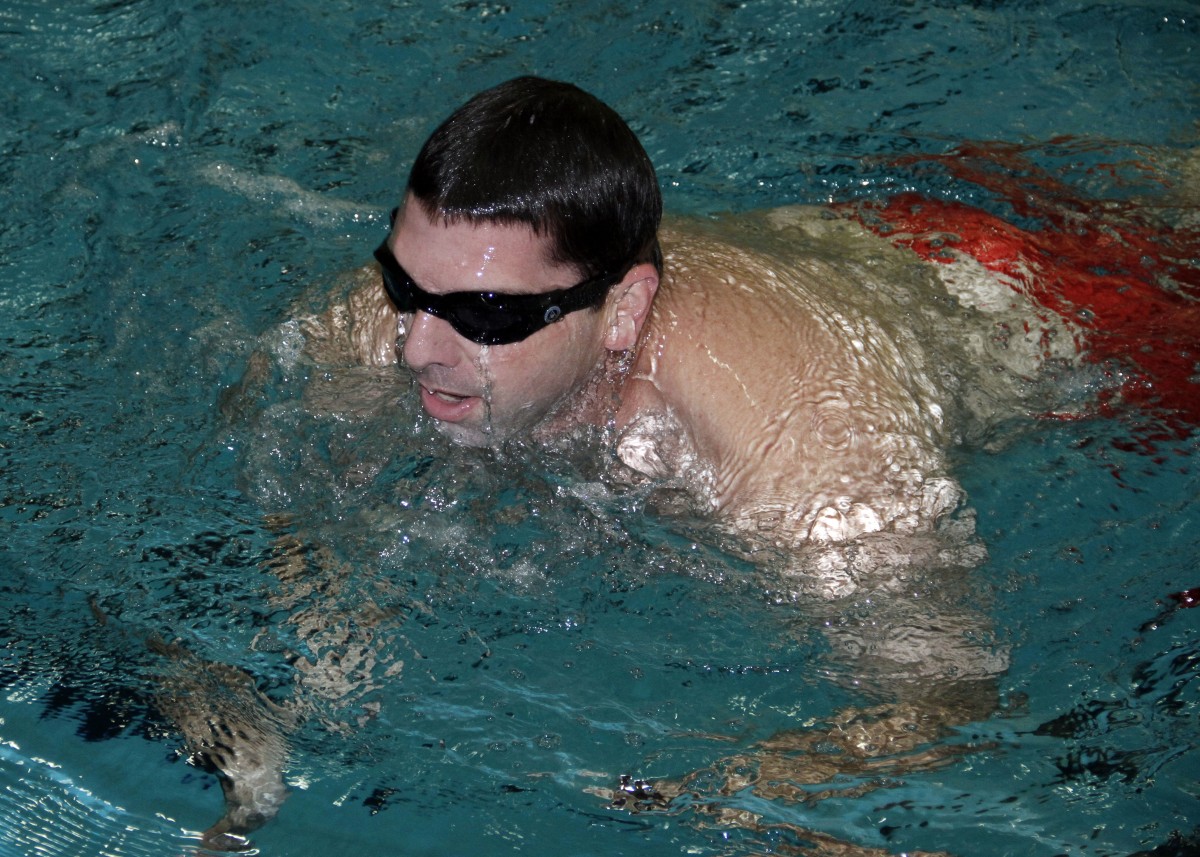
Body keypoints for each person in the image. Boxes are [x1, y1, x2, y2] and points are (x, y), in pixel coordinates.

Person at [305, 75, 1060, 558]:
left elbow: (936, 692)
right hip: (842, 241)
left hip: (1037, 287)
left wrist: (696, 797)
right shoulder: (403, 308)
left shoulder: (798, 454)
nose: (416, 346)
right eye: (404, 285)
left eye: (490, 313)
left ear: (624, 311)